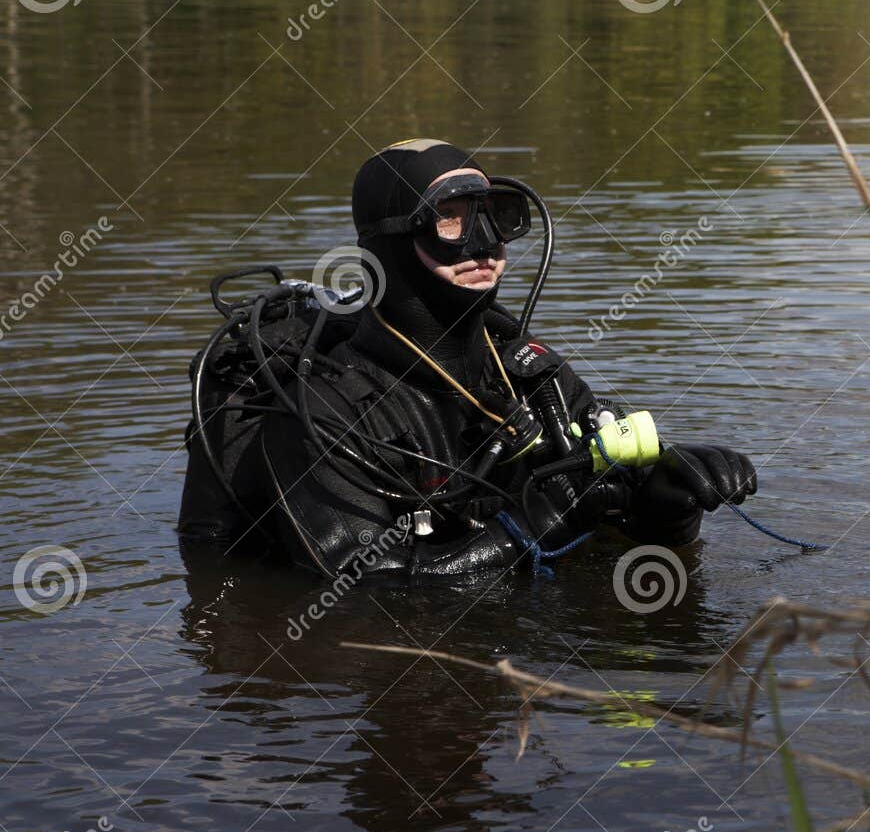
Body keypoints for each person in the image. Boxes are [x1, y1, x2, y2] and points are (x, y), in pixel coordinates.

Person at [179, 138, 756, 578]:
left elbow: (613, 521)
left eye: (497, 216)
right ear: (390, 242)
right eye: (452, 218)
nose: (484, 243)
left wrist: (670, 505)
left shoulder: (531, 374)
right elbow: (357, 585)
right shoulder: (321, 406)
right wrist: (531, 527)